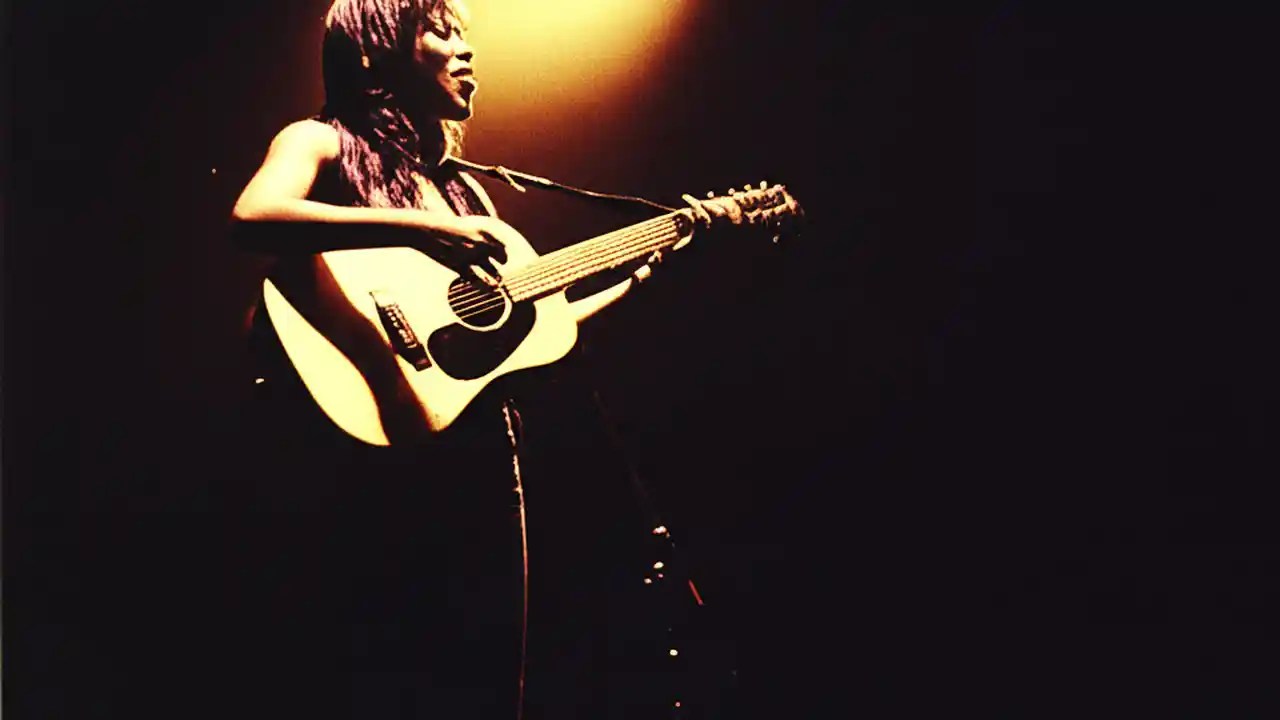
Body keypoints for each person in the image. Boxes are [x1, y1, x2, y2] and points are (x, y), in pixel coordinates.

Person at [228, 0, 743, 717]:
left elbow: (516, 337)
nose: (465, 50)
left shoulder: (463, 189)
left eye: (464, 34)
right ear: (376, 54)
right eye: (439, 31)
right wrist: (420, 230)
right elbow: (253, 215)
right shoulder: (319, 141)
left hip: (465, 455)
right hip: (352, 457)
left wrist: (631, 282)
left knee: (487, 666)